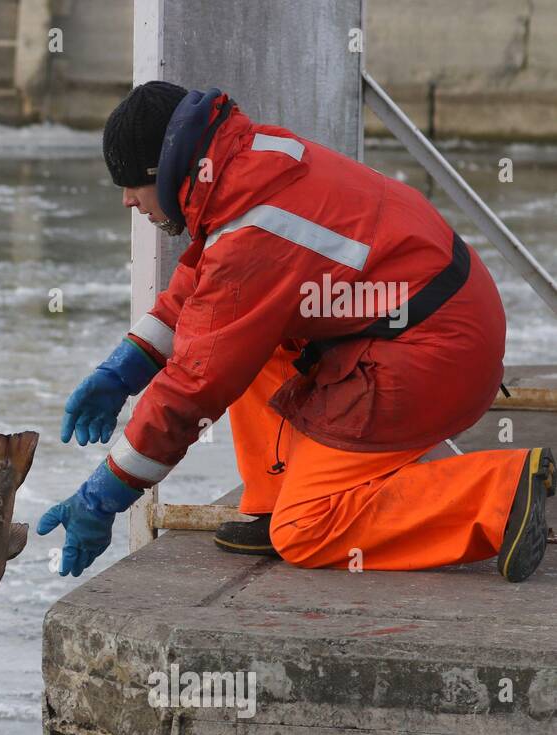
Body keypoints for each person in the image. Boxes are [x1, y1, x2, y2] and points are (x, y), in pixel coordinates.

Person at [38, 81, 554, 581]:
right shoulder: (250, 162)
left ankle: (498, 492)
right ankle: (276, 496)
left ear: (168, 169)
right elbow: (204, 295)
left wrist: (104, 495)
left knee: (306, 531)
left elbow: (196, 384)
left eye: (133, 183)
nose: (129, 200)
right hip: (436, 325)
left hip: (433, 353)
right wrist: (124, 370)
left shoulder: (255, 231)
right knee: (249, 339)